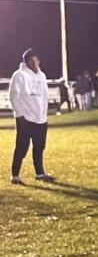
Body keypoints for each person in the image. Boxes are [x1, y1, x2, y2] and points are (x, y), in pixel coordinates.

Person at [8, 48, 54, 184]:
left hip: (40, 118)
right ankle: (15, 175)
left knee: (39, 147)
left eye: (36, 59)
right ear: (26, 61)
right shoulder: (19, 75)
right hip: (25, 118)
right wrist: (19, 114)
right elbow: (13, 96)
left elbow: (44, 96)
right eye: (31, 60)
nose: (35, 62)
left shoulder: (42, 76)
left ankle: (40, 173)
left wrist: (44, 114)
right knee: (22, 147)